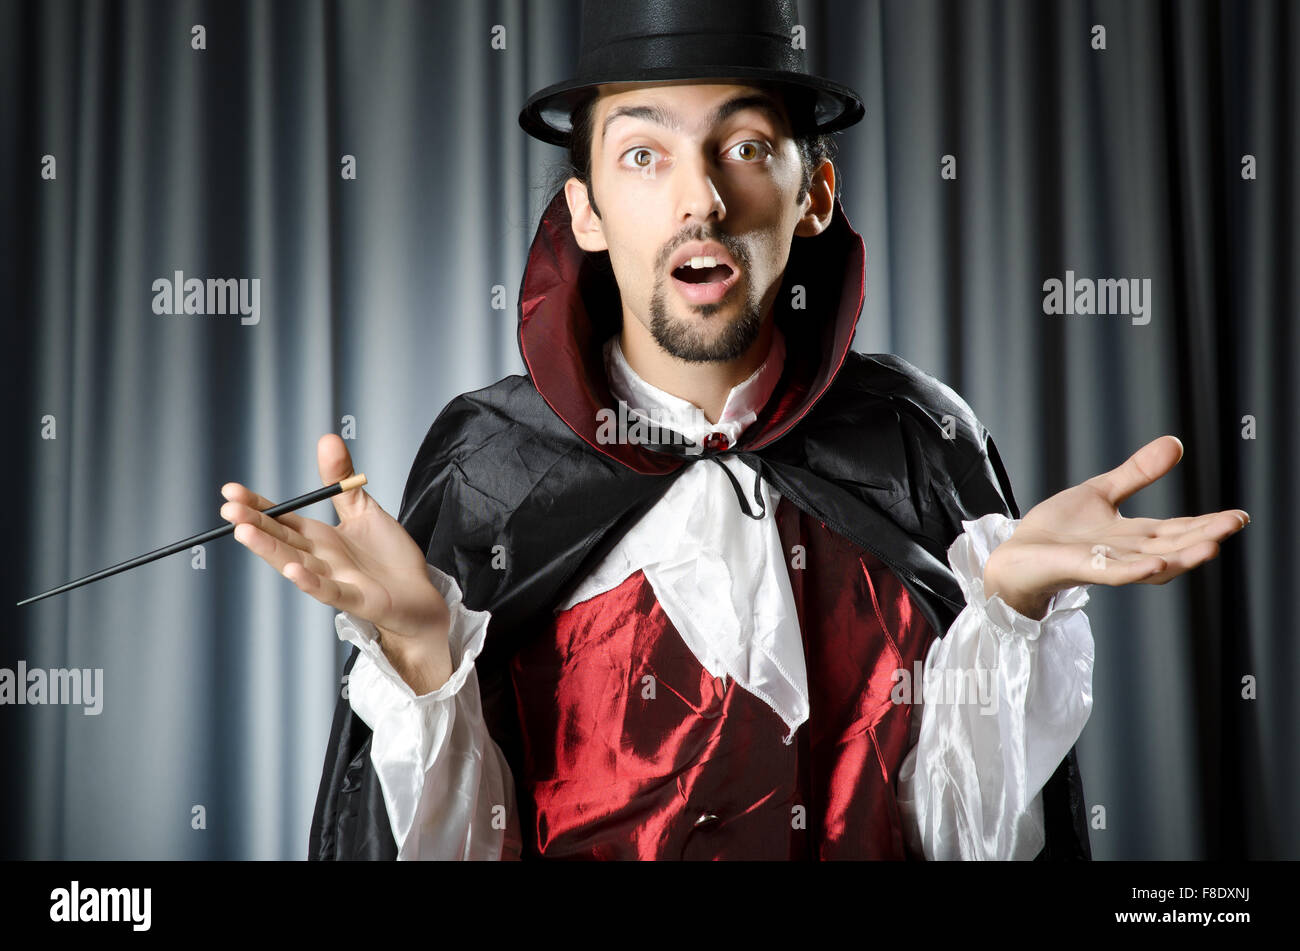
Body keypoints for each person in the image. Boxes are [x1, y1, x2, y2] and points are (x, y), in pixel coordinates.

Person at [219, 0, 1249, 861]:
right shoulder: (490, 466)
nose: (699, 198)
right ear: (583, 212)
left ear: (813, 197)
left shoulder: (917, 442)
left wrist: (1013, 618)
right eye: (642, 154)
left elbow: (952, 842)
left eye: (746, 147)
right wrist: (422, 659)